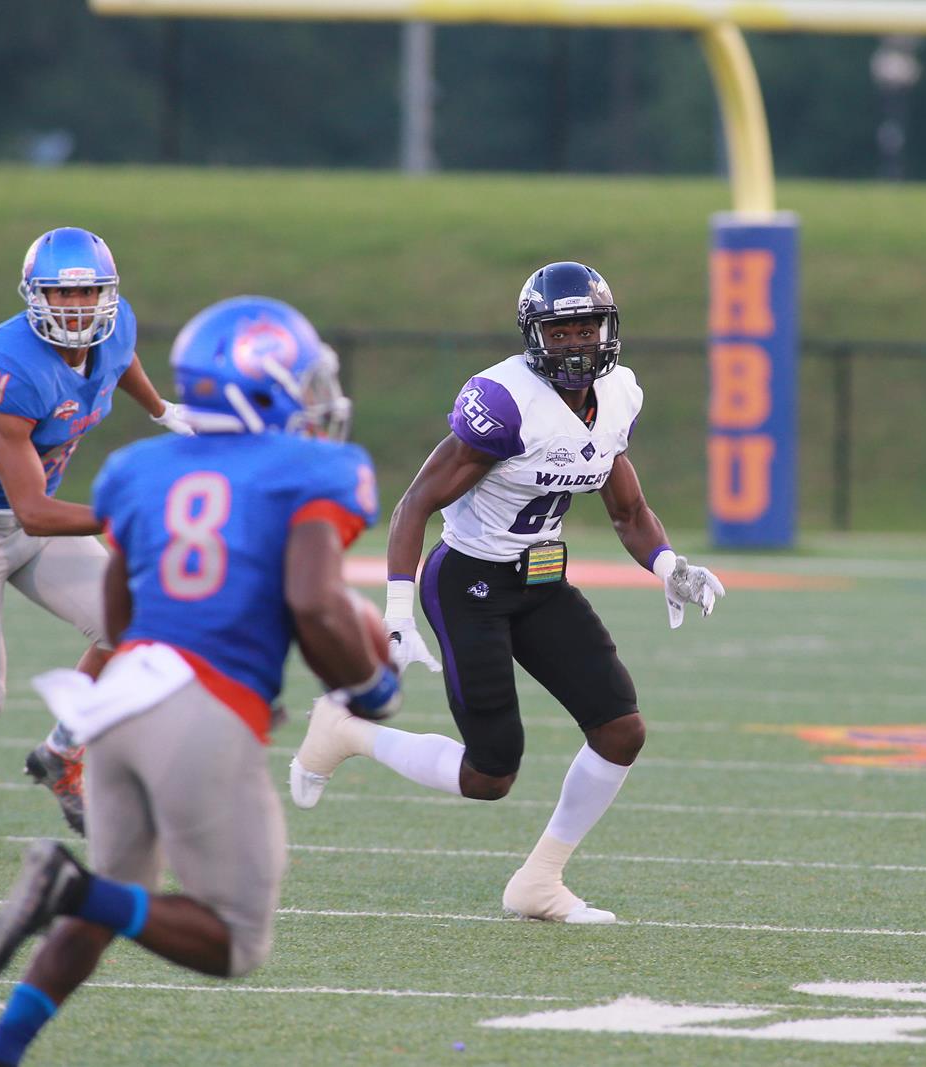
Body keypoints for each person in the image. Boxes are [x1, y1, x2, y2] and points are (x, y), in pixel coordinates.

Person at [0, 296, 396, 1067]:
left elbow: (119, 612)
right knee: (234, 939)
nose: (316, 398)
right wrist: (369, 687)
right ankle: (68, 888)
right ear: (261, 386)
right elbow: (314, 601)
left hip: (119, 703)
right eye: (302, 381)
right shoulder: (317, 469)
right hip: (198, 710)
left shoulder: (139, 468)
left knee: (111, 901)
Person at [290, 261, 724, 924]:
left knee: (620, 730)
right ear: (534, 336)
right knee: (489, 775)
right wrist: (399, 612)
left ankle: (539, 882)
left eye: (588, 328)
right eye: (561, 331)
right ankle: (344, 732)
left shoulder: (618, 395)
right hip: (468, 582)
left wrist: (669, 565)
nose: (577, 344)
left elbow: (627, 508)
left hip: (541, 581)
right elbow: (414, 505)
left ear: (608, 329)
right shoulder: (505, 401)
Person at [0, 226, 195, 855]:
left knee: (134, 625)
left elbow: (119, 359)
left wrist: (162, 410)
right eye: (61, 294)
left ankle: (61, 753)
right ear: (34, 296)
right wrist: (132, 514)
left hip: (41, 522)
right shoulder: (7, 366)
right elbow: (34, 513)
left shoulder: (116, 327)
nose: (77, 308)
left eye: (88, 294)